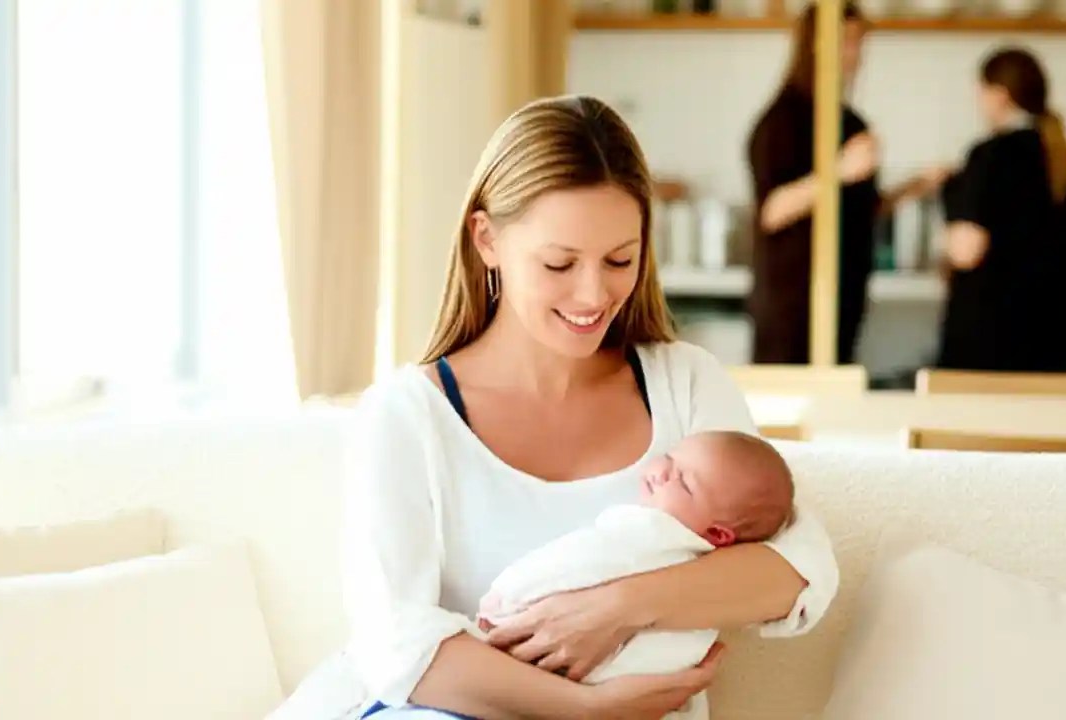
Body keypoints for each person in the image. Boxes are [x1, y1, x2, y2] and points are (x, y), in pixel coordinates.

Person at [342, 96, 839, 720]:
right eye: (559, 263)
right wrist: (583, 707)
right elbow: (395, 641)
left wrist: (615, 609)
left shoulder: (684, 383)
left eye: (619, 260)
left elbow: (797, 568)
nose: (593, 293)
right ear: (487, 238)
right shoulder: (409, 414)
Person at [476, 431, 795, 713]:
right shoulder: (712, 584)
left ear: (718, 534)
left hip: (558, 673)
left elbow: (571, 565)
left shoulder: (649, 533)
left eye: (683, 482)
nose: (662, 472)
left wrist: (506, 599)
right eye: (669, 458)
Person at [747, 1, 947, 366]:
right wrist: (839, 170)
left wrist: (914, 187)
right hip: (795, 304)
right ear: (816, 45)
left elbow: (863, 206)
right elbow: (772, 211)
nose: (856, 56)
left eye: (860, 44)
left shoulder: (851, 122)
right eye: (848, 42)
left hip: (845, 298)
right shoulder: (781, 121)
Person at [937, 47, 1066, 372]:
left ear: (999, 95)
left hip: (988, 345)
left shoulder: (989, 155)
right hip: (1051, 342)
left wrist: (950, 193)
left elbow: (965, 249)